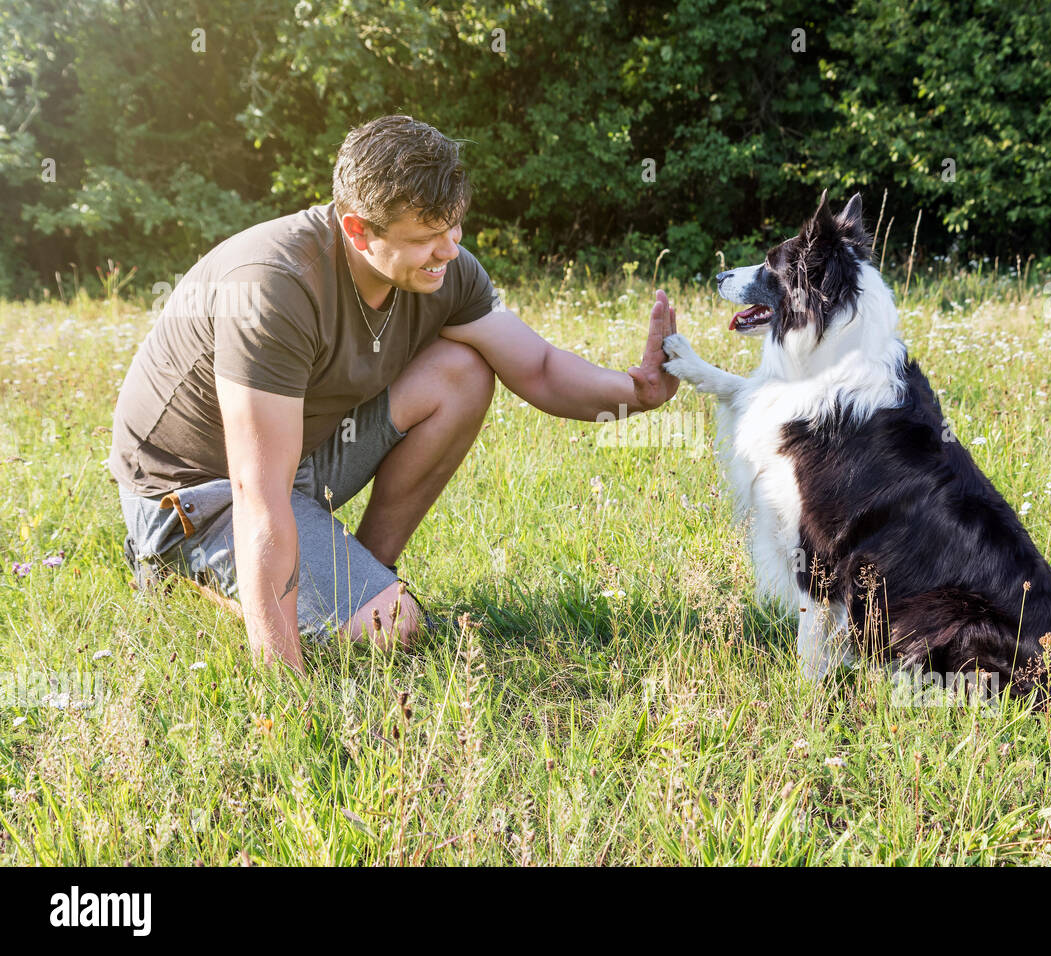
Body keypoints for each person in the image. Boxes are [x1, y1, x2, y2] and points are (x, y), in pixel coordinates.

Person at [110, 114, 679, 675]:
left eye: (454, 227)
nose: (449, 250)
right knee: (394, 629)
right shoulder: (273, 286)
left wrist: (638, 392)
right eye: (427, 237)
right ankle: (186, 572)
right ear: (358, 230)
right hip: (197, 494)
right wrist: (281, 685)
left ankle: (367, 573)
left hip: (306, 455)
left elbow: (541, 369)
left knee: (464, 370)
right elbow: (256, 492)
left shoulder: (443, 269)